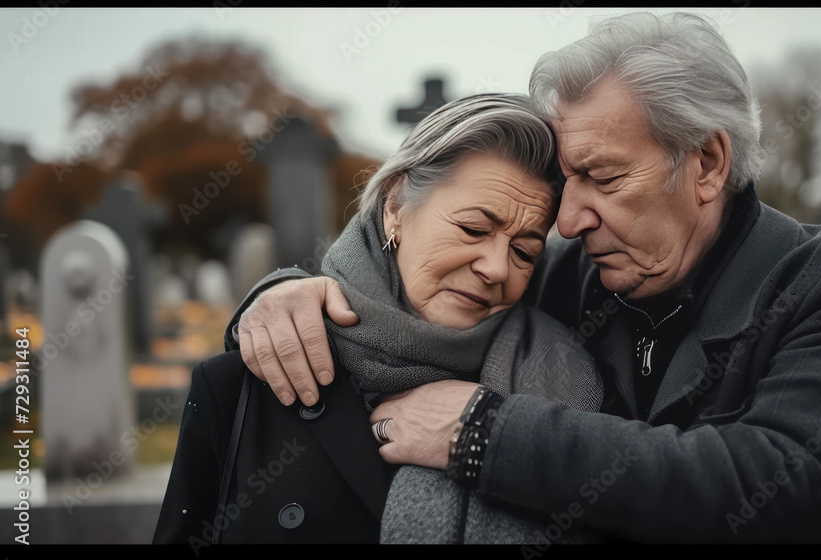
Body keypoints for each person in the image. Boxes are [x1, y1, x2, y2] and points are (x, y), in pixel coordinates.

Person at [226, 12, 821, 543]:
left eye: (602, 176)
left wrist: (484, 433)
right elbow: (420, 285)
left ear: (709, 164)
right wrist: (287, 293)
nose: (567, 220)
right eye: (567, 181)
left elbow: (775, 481)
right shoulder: (569, 273)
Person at [153, 94, 604, 546]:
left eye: (524, 251)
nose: (497, 268)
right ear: (395, 208)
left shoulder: (565, 386)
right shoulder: (243, 381)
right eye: (473, 229)